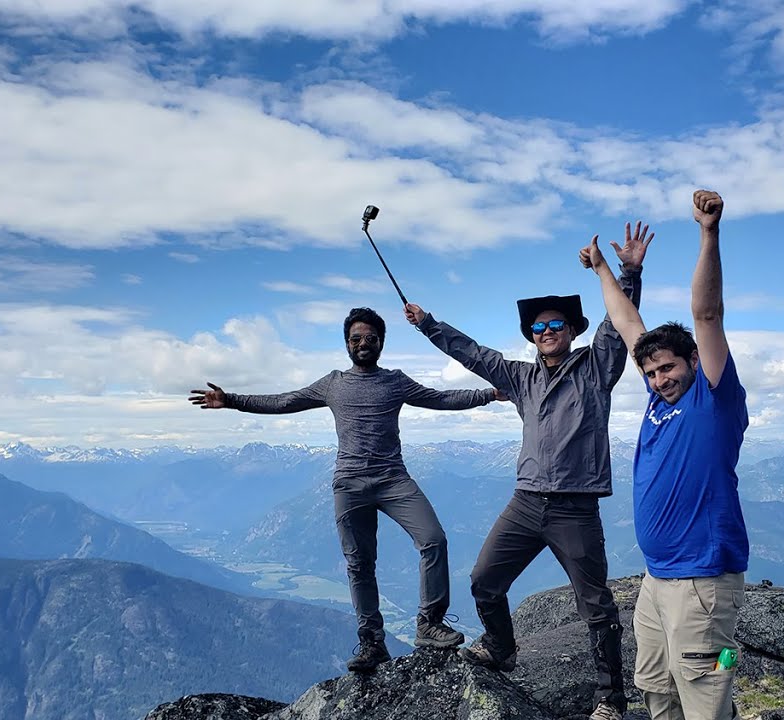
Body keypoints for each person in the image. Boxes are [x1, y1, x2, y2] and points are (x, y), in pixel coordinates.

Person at [403, 227, 653, 720]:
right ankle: (502, 648)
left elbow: (620, 322)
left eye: (555, 323)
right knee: (483, 581)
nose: (546, 332)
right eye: (538, 328)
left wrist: (629, 271)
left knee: (596, 608)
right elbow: (473, 354)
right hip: (525, 502)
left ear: (572, 329)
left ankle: (611, 699)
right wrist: (429, 324)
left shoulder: (597, 366)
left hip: (575, 508)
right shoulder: (519, 377)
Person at [189, 307, 502, 672]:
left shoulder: (396, 382)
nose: (363, 343)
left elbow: (440, 398)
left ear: (381, 343)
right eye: (356, 338)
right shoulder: (332, 383)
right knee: (359, 565)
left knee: (434, 540)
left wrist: (489, 394)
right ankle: (372, 643)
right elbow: (284, 401)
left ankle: (429, 624)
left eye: (370, 338)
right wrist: (232, 401)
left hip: (392, 480)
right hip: (350, 485)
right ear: (347, 344)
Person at [577, 189, 748, 720]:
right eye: (651, 372)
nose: (659, 378)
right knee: (655, 687)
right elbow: (629, 324)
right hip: (658, 578)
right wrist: (605, 268)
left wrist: (708, 233)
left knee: (704, 695)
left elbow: (708, 312)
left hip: (702, 579)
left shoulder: (712, 397)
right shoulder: (658, 396)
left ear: (694, 362)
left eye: (668, 368)